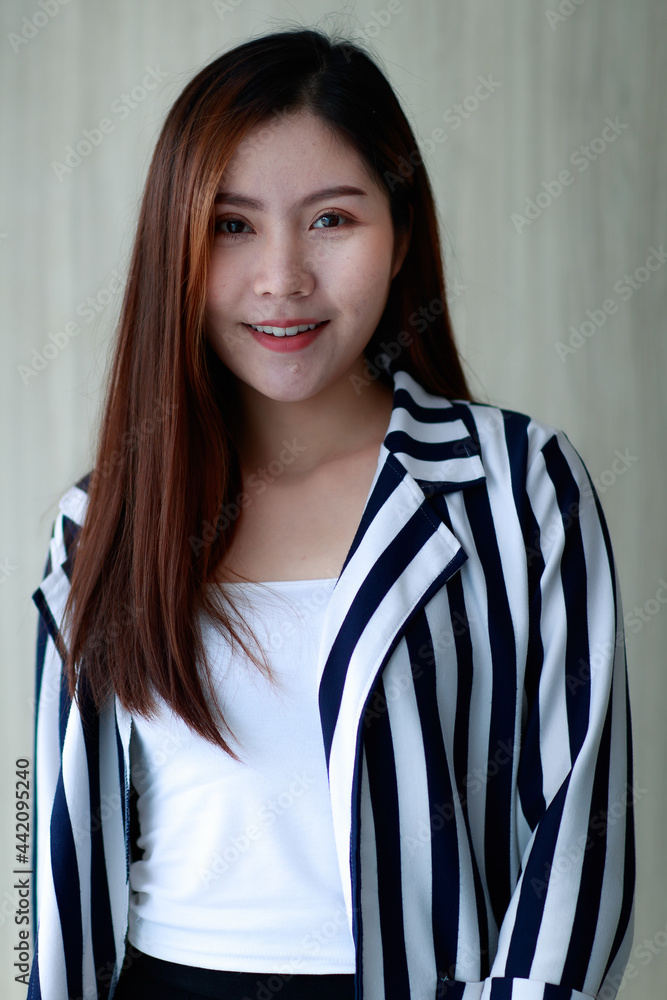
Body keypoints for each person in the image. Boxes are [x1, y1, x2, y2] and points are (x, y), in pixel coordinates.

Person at [27, 26, 635, 1000]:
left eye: (331, 220)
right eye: (231, 225)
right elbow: (57, 847)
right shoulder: (104, 517)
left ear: (399, 232)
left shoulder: (517, 490)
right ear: (174, 243)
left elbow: (577, 838)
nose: (282, 278)